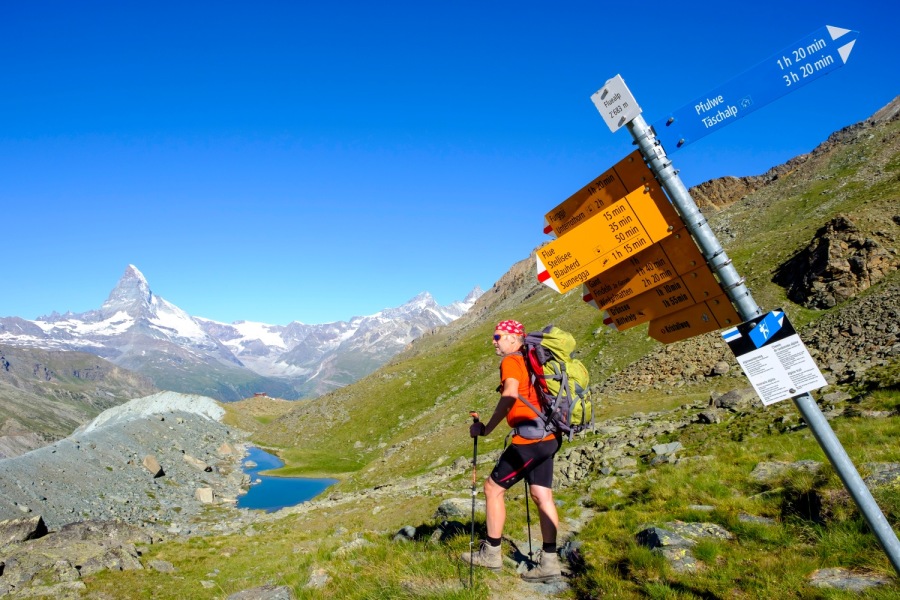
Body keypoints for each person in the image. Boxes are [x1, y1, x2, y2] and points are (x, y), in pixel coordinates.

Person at [460, 319, 562, 582]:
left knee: (492, 489)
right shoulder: (531, 358)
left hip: (529, 441)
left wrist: (486, 428)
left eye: (498, 336)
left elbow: (510, 395)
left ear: (514, 339)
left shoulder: (511, 361)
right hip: (549, 435)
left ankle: (491, 554)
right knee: (542, 494)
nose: (493, 341)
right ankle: (550, 561)